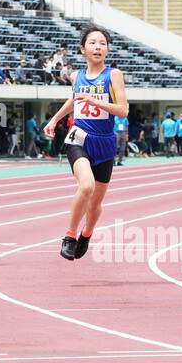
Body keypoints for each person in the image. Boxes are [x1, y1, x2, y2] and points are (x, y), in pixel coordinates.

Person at [44, 25, 129, 262]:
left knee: (96, 203)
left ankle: (87, 233)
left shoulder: (114, 75)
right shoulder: (76, 76)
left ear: (108, 50)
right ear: (83, 49)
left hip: (105, 142)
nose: (98, 47)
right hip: (79, 137)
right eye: (93, 43)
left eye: (102, 43)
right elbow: (74, 99)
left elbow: (123, 111)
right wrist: (55, 118)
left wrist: (93, 99)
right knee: (87, 186)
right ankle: (69, 236)